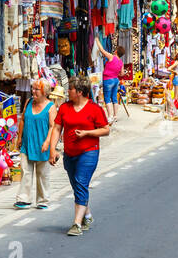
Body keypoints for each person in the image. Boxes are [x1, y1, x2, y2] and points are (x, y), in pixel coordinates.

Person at [46, 81, 110, 237]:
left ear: (80, 92)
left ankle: (76, 223)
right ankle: (87, 216)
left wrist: (87, 133)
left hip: (89, 152)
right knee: (77, 185)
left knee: (81, 182)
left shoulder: (95, 109)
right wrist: (52, 149)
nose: (68, 92)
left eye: (71, 89)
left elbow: (106, 130)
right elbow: (57, 128)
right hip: (69, 153)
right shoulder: (65, 108)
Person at [14, 80, 55, 209]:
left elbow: (53, 126)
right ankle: (23, 198)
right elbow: (23, 120)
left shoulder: (51, 107)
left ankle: (43, 200)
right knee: (25, 170)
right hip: (27, 142)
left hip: (42, 143)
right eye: (33, 88)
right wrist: (19, 137)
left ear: (45, 92)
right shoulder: (29, 102)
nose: (33, 91)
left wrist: (48, 142)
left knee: (42, 173)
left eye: (37, 89)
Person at [96, 43, 125, 121]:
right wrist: (116, 72)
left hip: (108, 80)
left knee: (107, 98)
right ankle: (115, 116)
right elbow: (122, 73)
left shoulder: (112, 57)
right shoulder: (121, 62)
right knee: (114, 98)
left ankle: (110, 117)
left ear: (116, 51)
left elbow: (102, 51)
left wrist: (97, 41)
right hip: (116, 80)